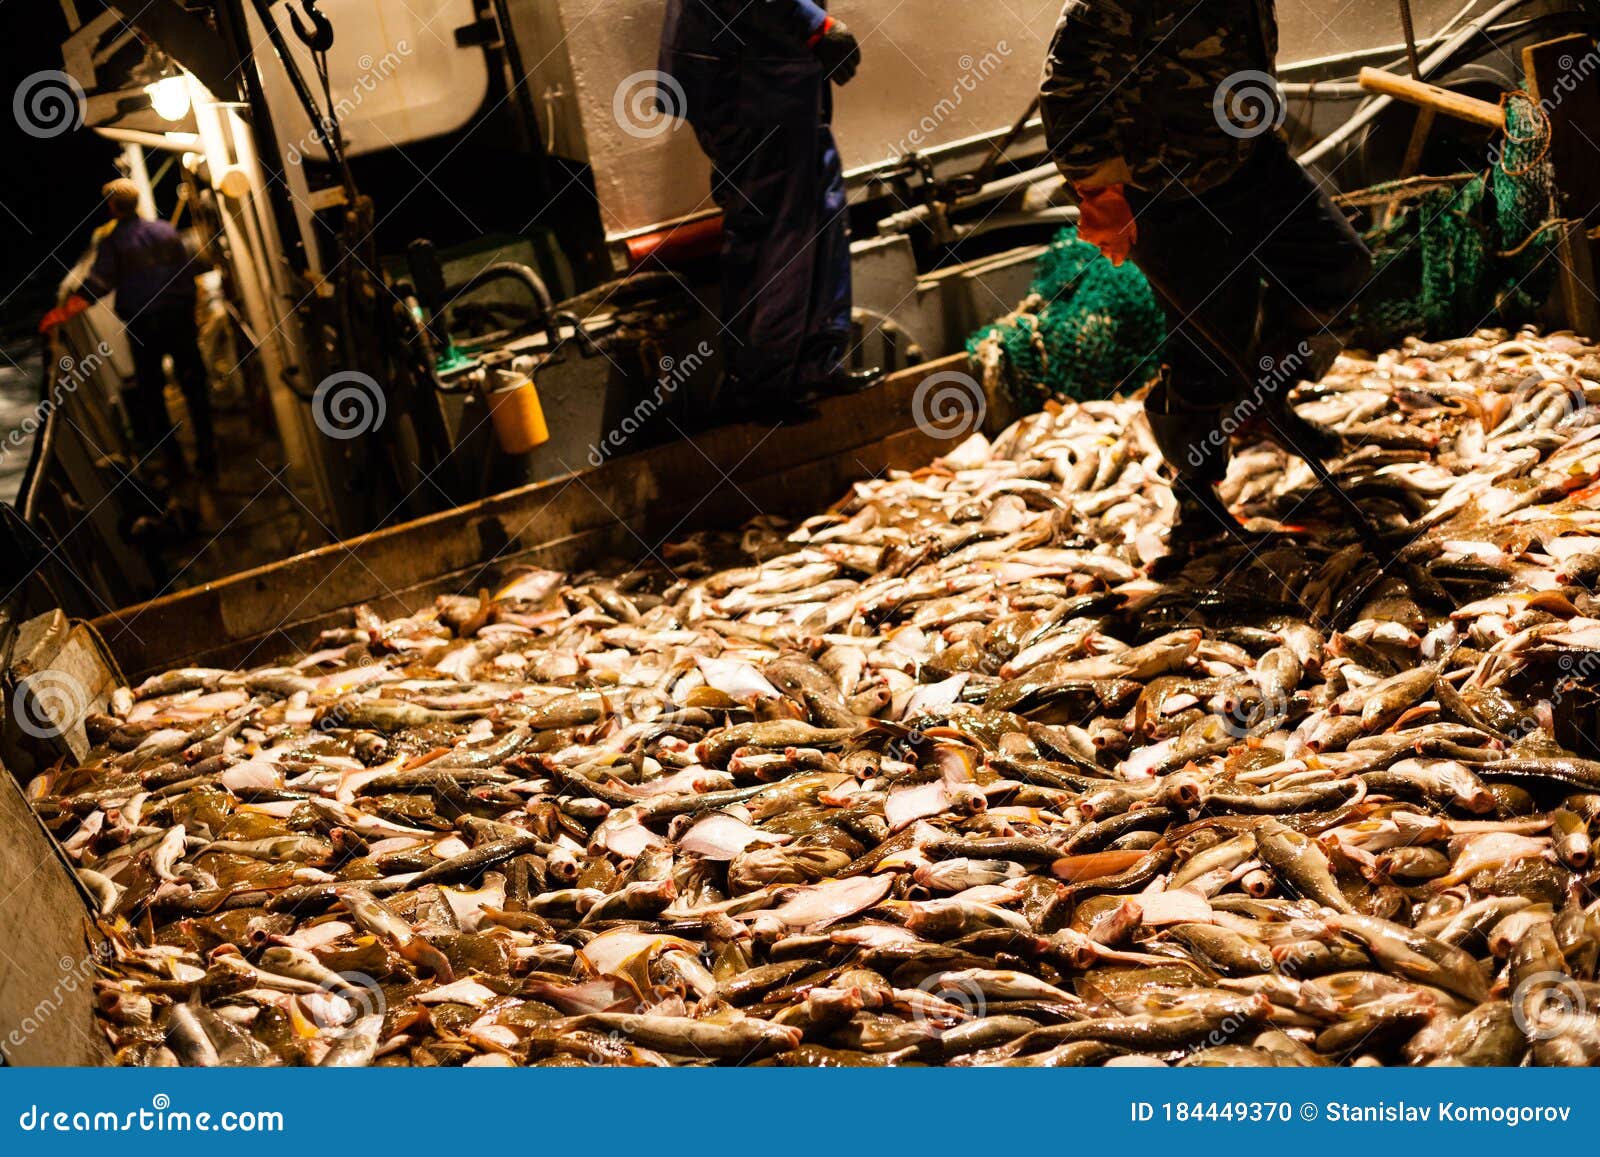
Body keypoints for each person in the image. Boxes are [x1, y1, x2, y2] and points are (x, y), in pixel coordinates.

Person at [1040, 0, 1372, 545]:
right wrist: (1099, 190)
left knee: (1337, 263)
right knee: (1207, 345)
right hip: (1167, 189)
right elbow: (1066, 91)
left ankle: (1261, 399)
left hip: (1251, 161)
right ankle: (1194, 493)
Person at [659, 1, 879, 423]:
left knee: (821, 212)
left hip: (777, 73)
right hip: (748, 83)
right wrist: (815, 25)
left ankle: (813, 365)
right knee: (781, 226)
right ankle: (762, 383)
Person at [75, 177, 214, 477]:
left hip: (144, 325)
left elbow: (98, 284)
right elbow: (187, 272)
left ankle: (175, 460)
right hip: (179, 319)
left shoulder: (114, 243)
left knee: (152, 394)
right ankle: (208, 455)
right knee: (194, 384)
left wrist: (62, 312)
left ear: (112, 207)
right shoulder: (165, 231)